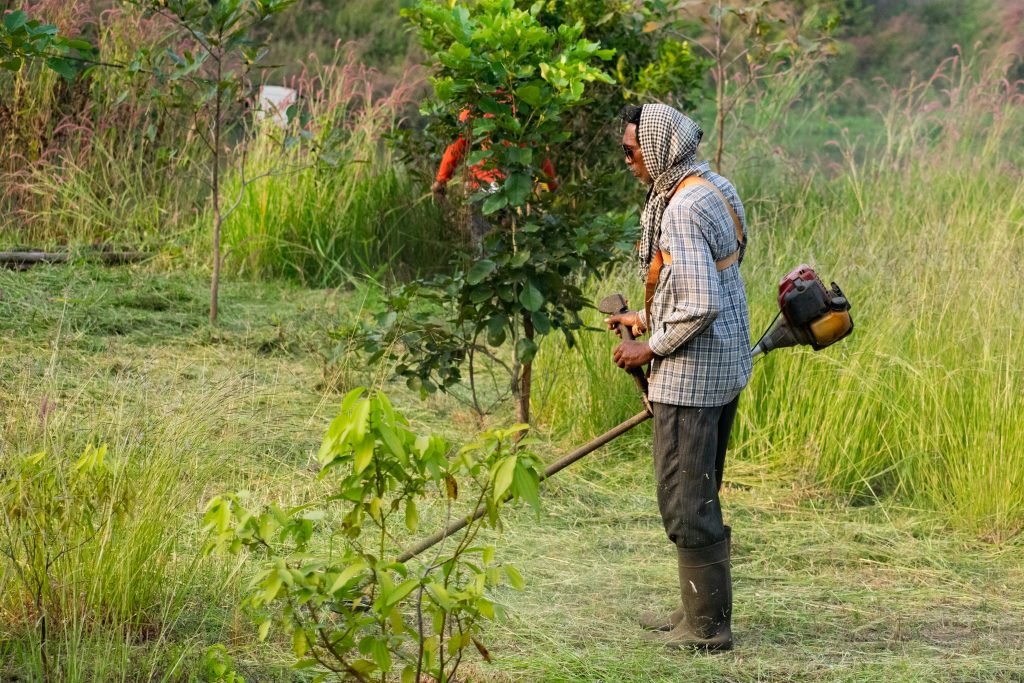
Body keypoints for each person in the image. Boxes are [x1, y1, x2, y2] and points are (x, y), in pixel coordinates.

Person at [604, 103, 752, 652]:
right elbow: (706, 279)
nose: (628, 160)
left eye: (632, 150)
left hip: (692, 379)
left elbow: (700, 304)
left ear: (660, 147)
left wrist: (650, 347)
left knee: (685, 500)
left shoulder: (681, 209)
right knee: (701, 492)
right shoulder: (714, 186)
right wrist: (646, 316)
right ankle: (697, 603)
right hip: (726, 364)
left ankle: (709, 628)